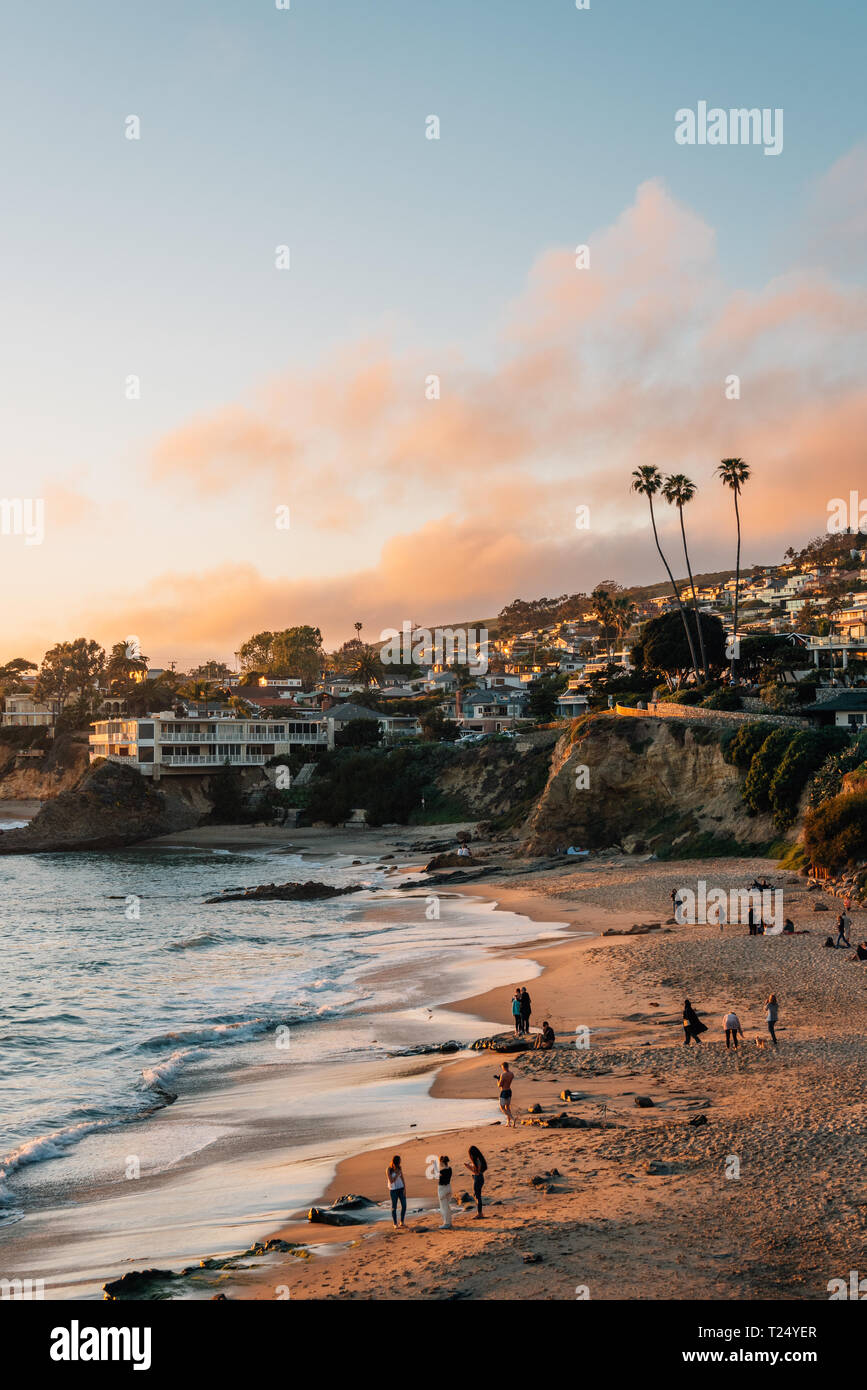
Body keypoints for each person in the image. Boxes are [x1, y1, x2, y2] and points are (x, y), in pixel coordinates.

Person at [465, 1146, 487, 1218]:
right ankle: (480, 1213)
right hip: (478, 1178)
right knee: (477, 1195)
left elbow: (477, 1172)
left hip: (478, 1178)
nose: (470, 1156)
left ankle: (480, 1213)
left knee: (477, 1196)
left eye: (470, 1154)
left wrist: (469, 1167)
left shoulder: (477, 1161)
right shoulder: (478, 1160)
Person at [387, 1154, 407, 1227]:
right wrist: (397, 1174)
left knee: (404, 1206)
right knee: (394, 1207)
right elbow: (391, 1181)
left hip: (401, 1188)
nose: (400, 1162)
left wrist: (405, 1188)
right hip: (393, 1190)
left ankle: (402, 1222)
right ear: (396, 1161)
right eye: (399, 1161)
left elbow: (402, 1178)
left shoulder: (399, 1168)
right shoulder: (389, 1169)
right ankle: (395, 1223)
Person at [436, 1155, 453, 1229]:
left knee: (444, 1207)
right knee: (447, 1206)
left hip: (442, 1189)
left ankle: (446, 1223)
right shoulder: (450, 1169)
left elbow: (436, 1174)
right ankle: (449, 1222)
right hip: (449, 1188)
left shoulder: (442, 1171)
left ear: (442, 1162)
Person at [496, 1061, 515, 1126]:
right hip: (509, 1091)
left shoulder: (503, 1075)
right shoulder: (512, 1074)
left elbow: (499, 1085)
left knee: (502, 1108)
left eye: (502, 1067)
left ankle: (512, 1118)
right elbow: (507, 1081)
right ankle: (508, 1123)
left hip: (504, 1092)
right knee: (507, 1107)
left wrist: (498, 1080)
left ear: (503, 1067)